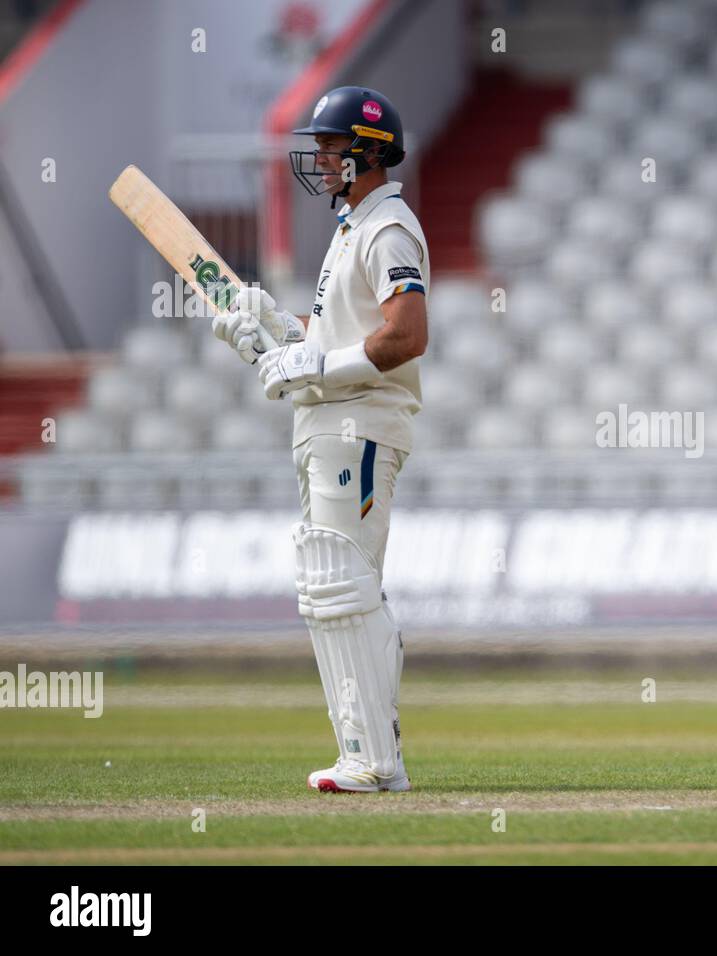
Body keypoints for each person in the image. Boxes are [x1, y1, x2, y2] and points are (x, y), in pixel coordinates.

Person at [212, 86, 429, 792]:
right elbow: (331, 345)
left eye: (332, 148)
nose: (321, 159)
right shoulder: (349, 227)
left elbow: (406, 336)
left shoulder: (386, 227)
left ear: (368, 153)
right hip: (330, 424)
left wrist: (316, 363)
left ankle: (372, 761)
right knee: (337, 586)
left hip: (361, 425)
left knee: (341, 585)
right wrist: (274, 334)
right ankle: (368, 749)